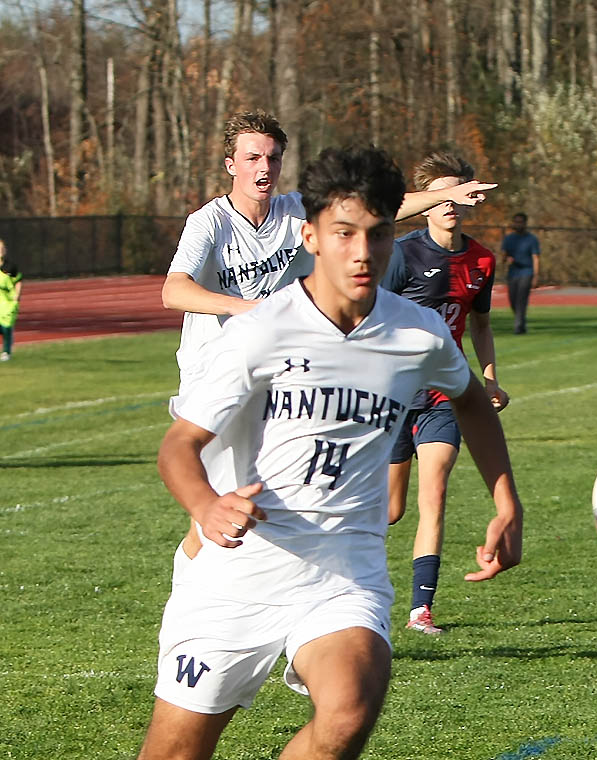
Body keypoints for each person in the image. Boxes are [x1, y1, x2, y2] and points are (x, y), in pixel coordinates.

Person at [61, 144, 523, 760]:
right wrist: (207, 503)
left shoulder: (413, 333)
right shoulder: (259, 331)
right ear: (311, 235)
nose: (360, 251)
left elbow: (471, 401)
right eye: (343, 232)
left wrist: (506, 499)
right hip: (235, 573)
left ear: (391, 238)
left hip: (341, 568)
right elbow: (179, 445)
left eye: (375, 234)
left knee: (351, 704)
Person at [163, 111, 498, 555]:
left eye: (273, 157)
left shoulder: (293, 210)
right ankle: (193, 590)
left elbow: (380, 208)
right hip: (217, 372)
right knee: (214, 507)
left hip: (282, 371)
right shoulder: (210, 223)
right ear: (231, 165)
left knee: (285, 495)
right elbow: (174, 290)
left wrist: (448, 194)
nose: (263, 168)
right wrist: (252, 311)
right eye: (252, 158)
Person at [384, 151, 508, 635]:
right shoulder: (403, 253)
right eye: (442, 194)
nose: (452, 202)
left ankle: (421, 609)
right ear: (427, 203)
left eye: (460, 192)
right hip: (393, 396)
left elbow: (480, 323)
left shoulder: (481, 259)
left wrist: (491, 377)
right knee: (391, 510)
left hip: (443, 395)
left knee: (433, 491)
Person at [500, 212, 540, 334]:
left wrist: (536, 276)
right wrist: (507, 260)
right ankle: (520, 321)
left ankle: (519, 326)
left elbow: (536, 258)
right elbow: (503, 256)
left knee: (521, 299)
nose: (518, 224)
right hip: (513, 273)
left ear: (525, 223)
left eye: (520, 222)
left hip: (526, 272)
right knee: (513, 299)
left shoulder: (531, 239)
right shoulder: (509, 238)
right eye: (516, 222)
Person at [0, 239, 22, 362]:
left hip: (8, 303)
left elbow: (18, 281)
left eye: (1, 249)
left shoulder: (9, 267)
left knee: (6, 327)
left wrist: (17, 295)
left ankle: (6, 352)